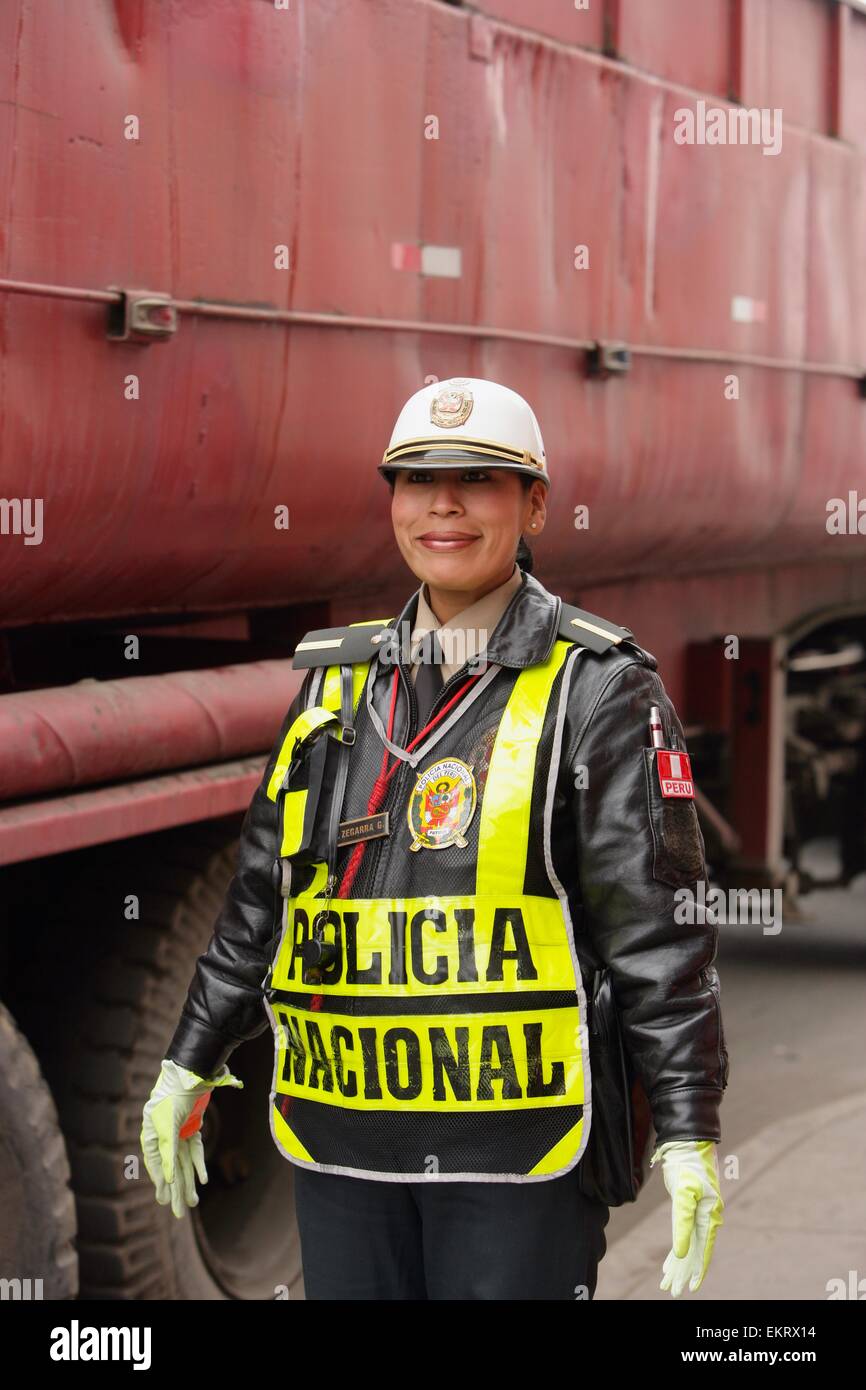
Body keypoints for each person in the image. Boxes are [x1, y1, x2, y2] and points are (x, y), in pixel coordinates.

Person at [141, 377, 728, 1300]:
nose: (442, 506)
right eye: (417, 483)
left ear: (534, 503)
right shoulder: (337, 687)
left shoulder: (600, 690)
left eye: (476, 481)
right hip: (344, 1140)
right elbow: (264, 899)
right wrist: (191, 1058)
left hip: (517, 1155)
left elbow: (658, 937)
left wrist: (690, 1130)